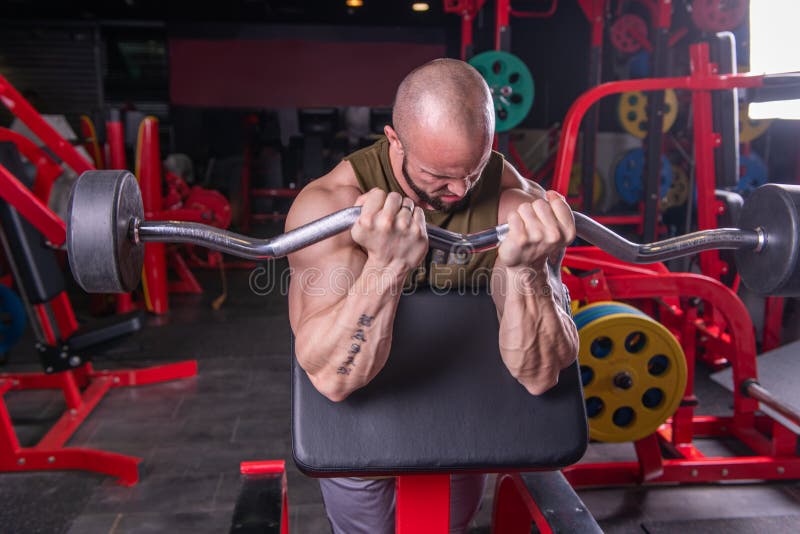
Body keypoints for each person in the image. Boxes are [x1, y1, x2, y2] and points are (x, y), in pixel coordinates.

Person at [285, 58, 579, 534]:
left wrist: (525, 271)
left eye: (474, 169)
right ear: (394, 140)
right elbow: (333, 381)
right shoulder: (330, 206)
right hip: (358, 422)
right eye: (438, 175)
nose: (460, 190)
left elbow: (541, 376)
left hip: (461, 414)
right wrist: (385, 267)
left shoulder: (517, 206)